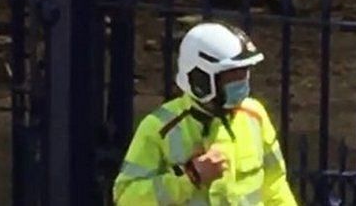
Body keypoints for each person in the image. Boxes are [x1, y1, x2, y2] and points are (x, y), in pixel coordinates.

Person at [113, 22, 297, 205]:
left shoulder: (254, 115)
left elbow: (275, 185)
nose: (242, 81)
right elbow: (126, 197)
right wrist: (190, 177)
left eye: (245, 72)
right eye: (232, 75)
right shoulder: (159, 128)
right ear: (200, 78)